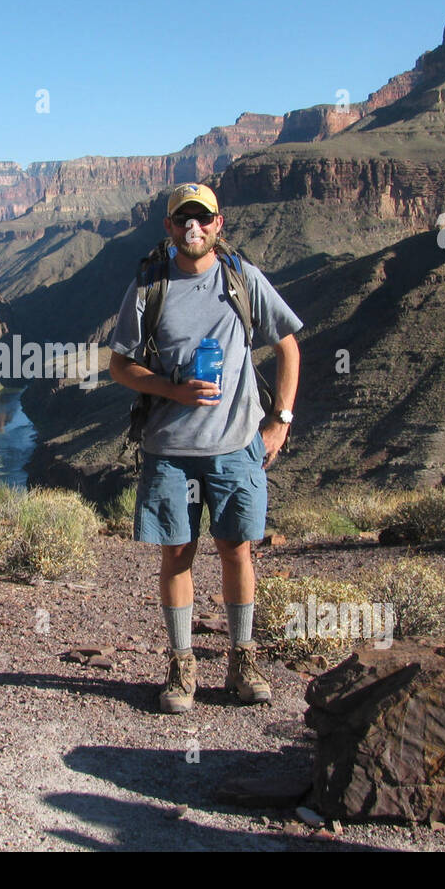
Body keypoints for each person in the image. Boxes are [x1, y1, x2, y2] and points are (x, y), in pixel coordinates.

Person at [108, 183, 302, 713]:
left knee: (237, 550)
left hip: (236, 446)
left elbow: (287, 345)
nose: (192, 227)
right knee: (177, 554)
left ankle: (243, 659)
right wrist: (172, 389)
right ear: (169, 228)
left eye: (202, 218)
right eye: (181, 219)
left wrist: (280, 420)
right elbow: (119, 366)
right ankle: (181, 666)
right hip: (169, 448)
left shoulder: (243, 281)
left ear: (218, 224)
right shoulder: (149, 286)